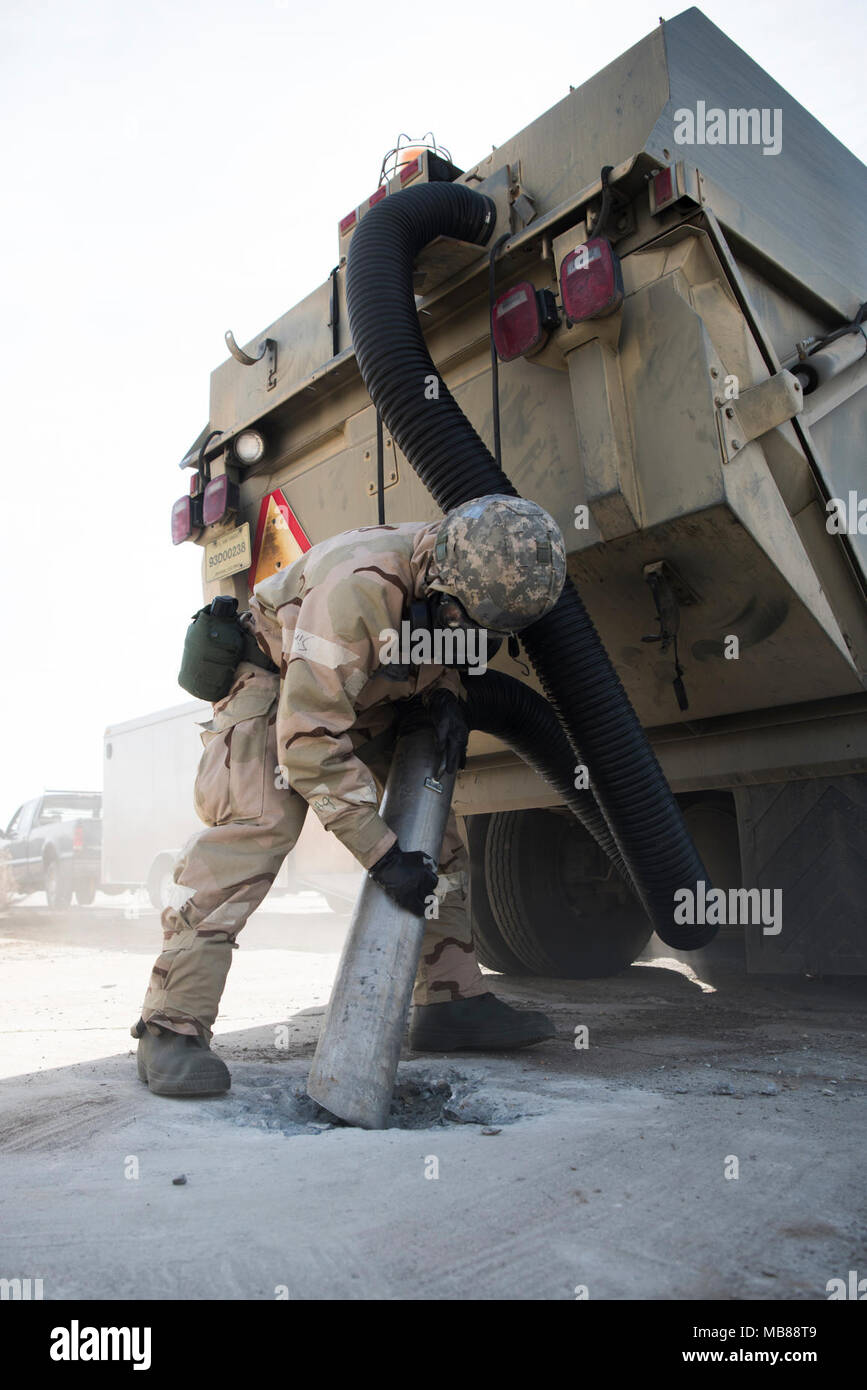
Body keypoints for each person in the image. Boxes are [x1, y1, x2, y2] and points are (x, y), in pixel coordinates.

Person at [133, 495, 567, 1096]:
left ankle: (450, 1001)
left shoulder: (463, 572)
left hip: (366, 687)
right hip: (280, 681)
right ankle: (169, 1026)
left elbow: (429, 642)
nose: (474, 639)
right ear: (442, 584)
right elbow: (308, 742)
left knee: (435, 833)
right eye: (467, 624)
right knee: (256, 834)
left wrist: (444, 692)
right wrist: (384, 857)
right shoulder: (358, 590)